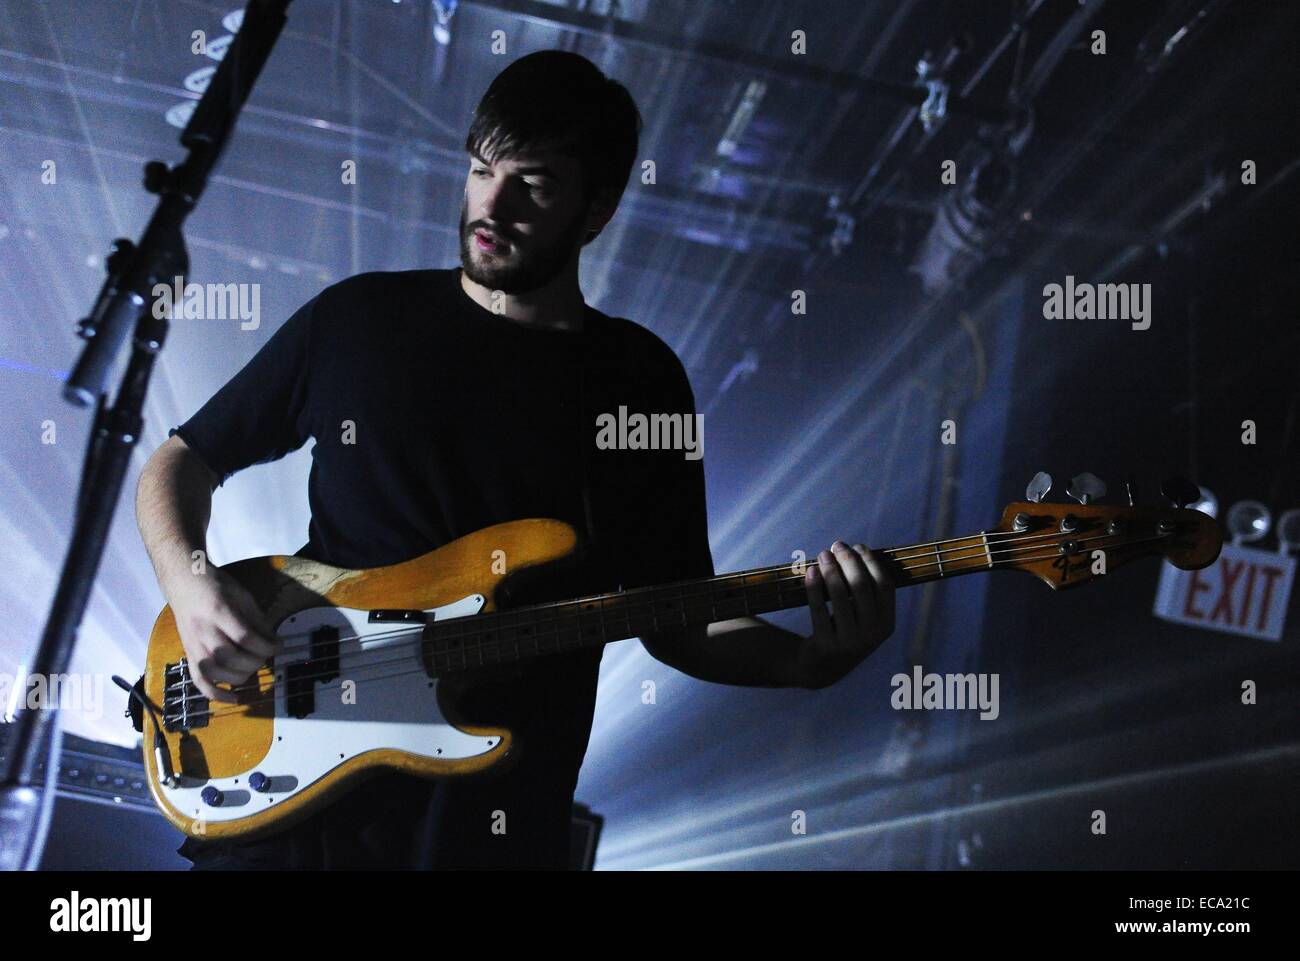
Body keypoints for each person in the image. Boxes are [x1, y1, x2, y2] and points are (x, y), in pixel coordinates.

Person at [134, 49, 896, 870]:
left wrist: (811, 660)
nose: (490, 205)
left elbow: (682, 619)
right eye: (480, 169)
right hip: (291, 802)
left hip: (485, 828)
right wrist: (193, 584)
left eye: (533, 184)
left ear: (597, 209)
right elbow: (181, 462)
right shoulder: (357, 319)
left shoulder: (640, 380)